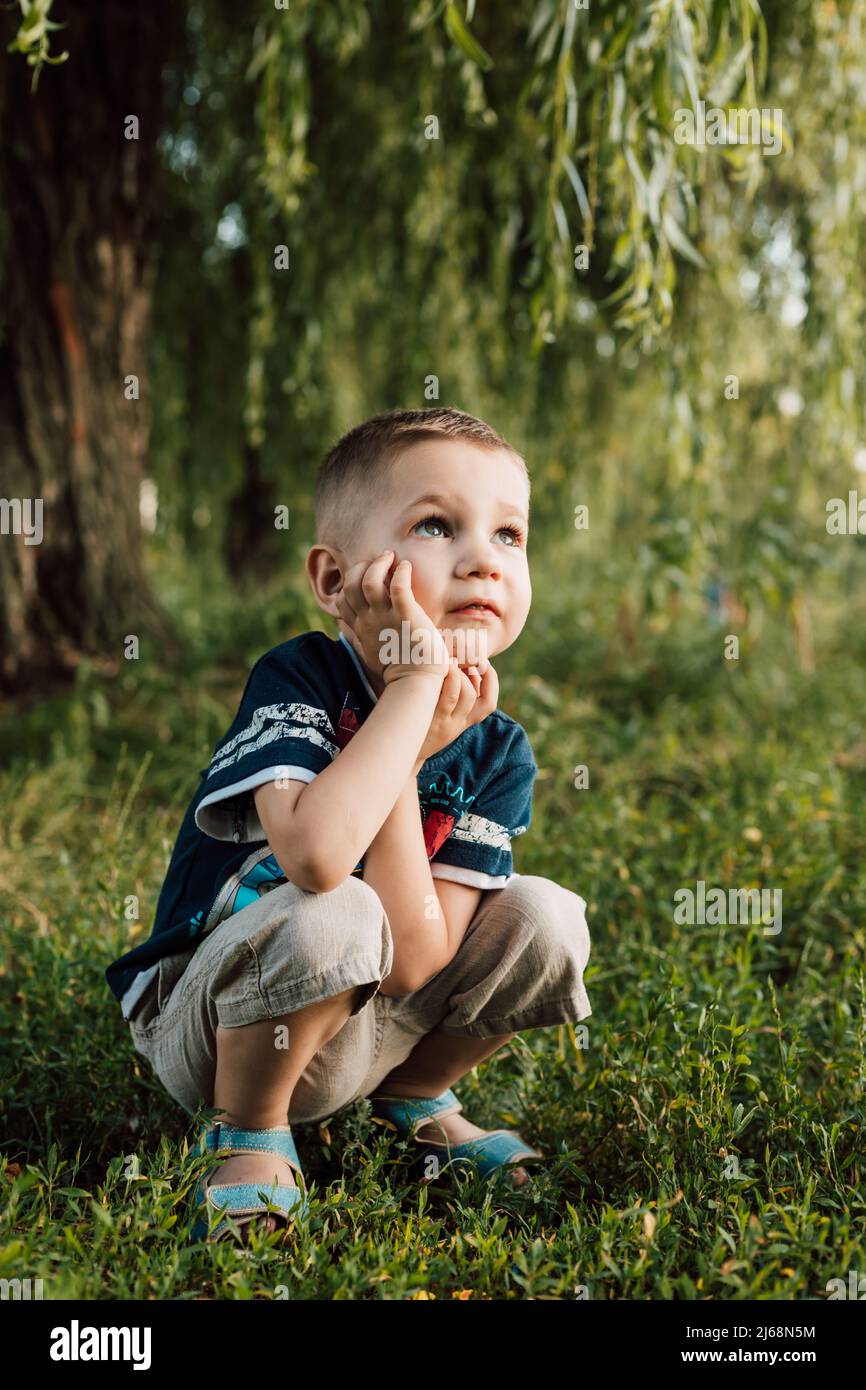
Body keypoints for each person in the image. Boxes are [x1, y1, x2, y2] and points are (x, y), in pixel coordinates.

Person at [106, 406, 592, 1243]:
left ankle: (413, 1097)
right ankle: (247, 1133)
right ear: (335, 582)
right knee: (338, 908)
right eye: (437, 525)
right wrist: (406, 698)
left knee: (548, 917)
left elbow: (416, 960)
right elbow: (318, 858)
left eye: (511, 535)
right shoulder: (299, 676)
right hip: (218, 1025)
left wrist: (409, 757)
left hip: (369, 1020)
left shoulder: (496, 746)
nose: (484, 560)